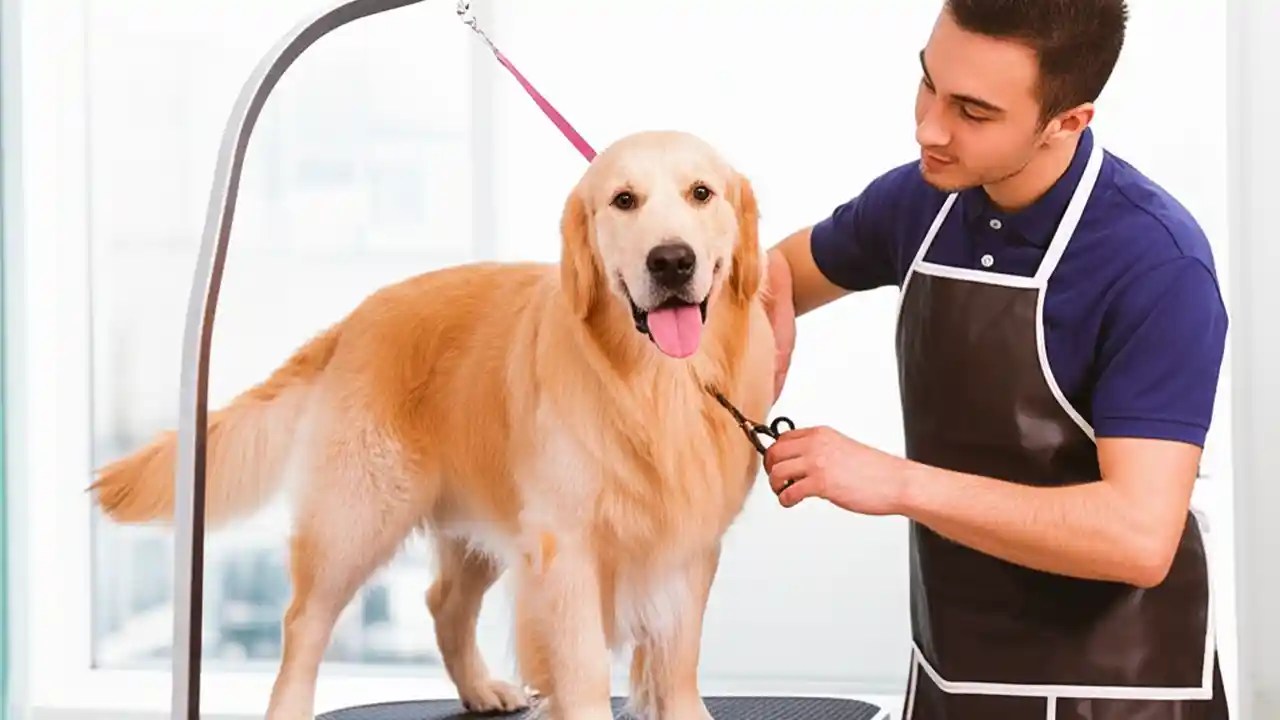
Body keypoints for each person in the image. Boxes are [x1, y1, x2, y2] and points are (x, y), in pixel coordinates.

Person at [760, 1, 1231, 718]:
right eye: (928, 84)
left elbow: (1138, 538)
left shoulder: (1156, 263)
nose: (928, 128)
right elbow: (775, 273)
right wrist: (758, 306)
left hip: (1115, 695)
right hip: (952, 676)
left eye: (973, 112)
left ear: (1068, 120)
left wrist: (897, 483)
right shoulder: (922, 200)